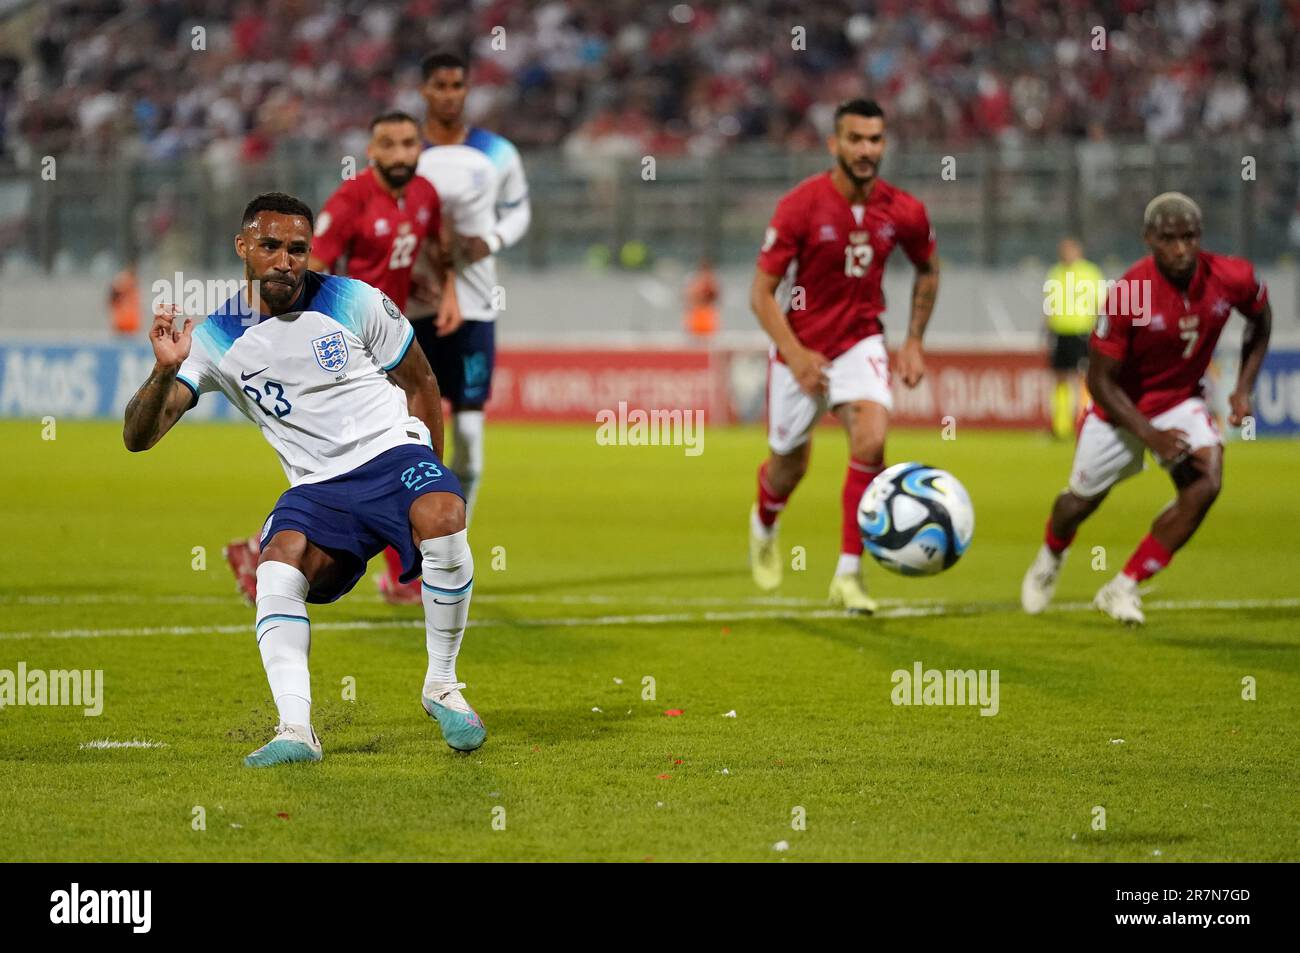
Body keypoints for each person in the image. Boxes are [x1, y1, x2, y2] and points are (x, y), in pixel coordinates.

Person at [124, 191, 485, 765]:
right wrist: (163, 370)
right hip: (318, 487)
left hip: (391, 452)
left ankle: (441, 685)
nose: (285, 260)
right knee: (277, 562)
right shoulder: (217, 336)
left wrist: (432, 471)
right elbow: (139, 437)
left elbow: (421, 383)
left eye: (297, 248)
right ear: (243, 247)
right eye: (270, 246)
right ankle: (296, 730)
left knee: (445, 517)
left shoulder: (353, 299)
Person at [221, 112, 460, 606]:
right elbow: (316, 266)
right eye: (388, 144)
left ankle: (397, 567)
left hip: (402, 332)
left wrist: (445, 289)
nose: (400, 154)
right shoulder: (351, 199)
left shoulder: (424, 196)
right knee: (381, 453)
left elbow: (432, 246)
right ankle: (400, 571)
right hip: (357, 347)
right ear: (371, 152)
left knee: (406, 445)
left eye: (409, 144)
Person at [1021, 192, 1271, 624]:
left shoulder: (1231, 276)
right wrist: (1149, 434)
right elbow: (1099, 382)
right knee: (1078, 504)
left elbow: (1260, 317)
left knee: (1206, 482)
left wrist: (1242, 390)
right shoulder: (1128, 294)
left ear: (1200, 236)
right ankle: (1051, 554)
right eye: (1169, 239)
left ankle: (1123, 585)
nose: (1180, 249)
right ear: (1149, 238)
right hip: (1119, 410)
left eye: (1189, 238)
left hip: (1181, 401)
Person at [748, 98, 940, 613]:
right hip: (800, 344)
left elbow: (929, 268)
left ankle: (848, 575)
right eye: (855, 139)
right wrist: (795, 354)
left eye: (875, 140)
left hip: (860, 340)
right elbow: (761, 293)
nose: (866, 149)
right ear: (834, 144)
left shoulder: (904, 210)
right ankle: (764, 523)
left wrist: (914, 340)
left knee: (872, 439)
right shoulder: (800, 206)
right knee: (789, 468)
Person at [408, 49, 531, 532]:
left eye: (457, 85)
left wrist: (492, 240)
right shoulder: (403, 150)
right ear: (424, 90)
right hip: (411, 309)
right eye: (439, 85)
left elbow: (519, 209)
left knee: (470, 438)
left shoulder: (496, 151)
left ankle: (452, 545)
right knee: (410, 437)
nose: (449, 94)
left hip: (477, 307)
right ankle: (409, 553)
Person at [1044, 237, 1104, 439]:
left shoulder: (1090, 273)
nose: (1066, 254)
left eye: (1070, 250)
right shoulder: (1055, 273)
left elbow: (1100, 304)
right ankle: (1060, 426)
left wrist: (1100, 332)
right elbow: (1050, 305)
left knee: (1083, 379)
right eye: (1064, 250)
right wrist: (1047, 326)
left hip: (1082, 332)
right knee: (1060, 378)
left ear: (1079, 252)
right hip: (1060, 332)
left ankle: (1084, 422)